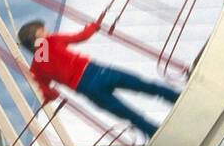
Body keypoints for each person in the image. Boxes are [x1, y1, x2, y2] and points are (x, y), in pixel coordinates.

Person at [17, 17, 179, 139]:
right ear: (37, 37)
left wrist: (53, 92)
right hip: (98, 72)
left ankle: (153, 132)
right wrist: (94, 26)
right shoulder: (52, 41)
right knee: (141, 85)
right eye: (43, 31)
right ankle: (173, 97)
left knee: (127, 113)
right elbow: (81, 36)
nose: (47, 32)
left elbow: (47, 93)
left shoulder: (36, 67)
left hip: (87, 89)